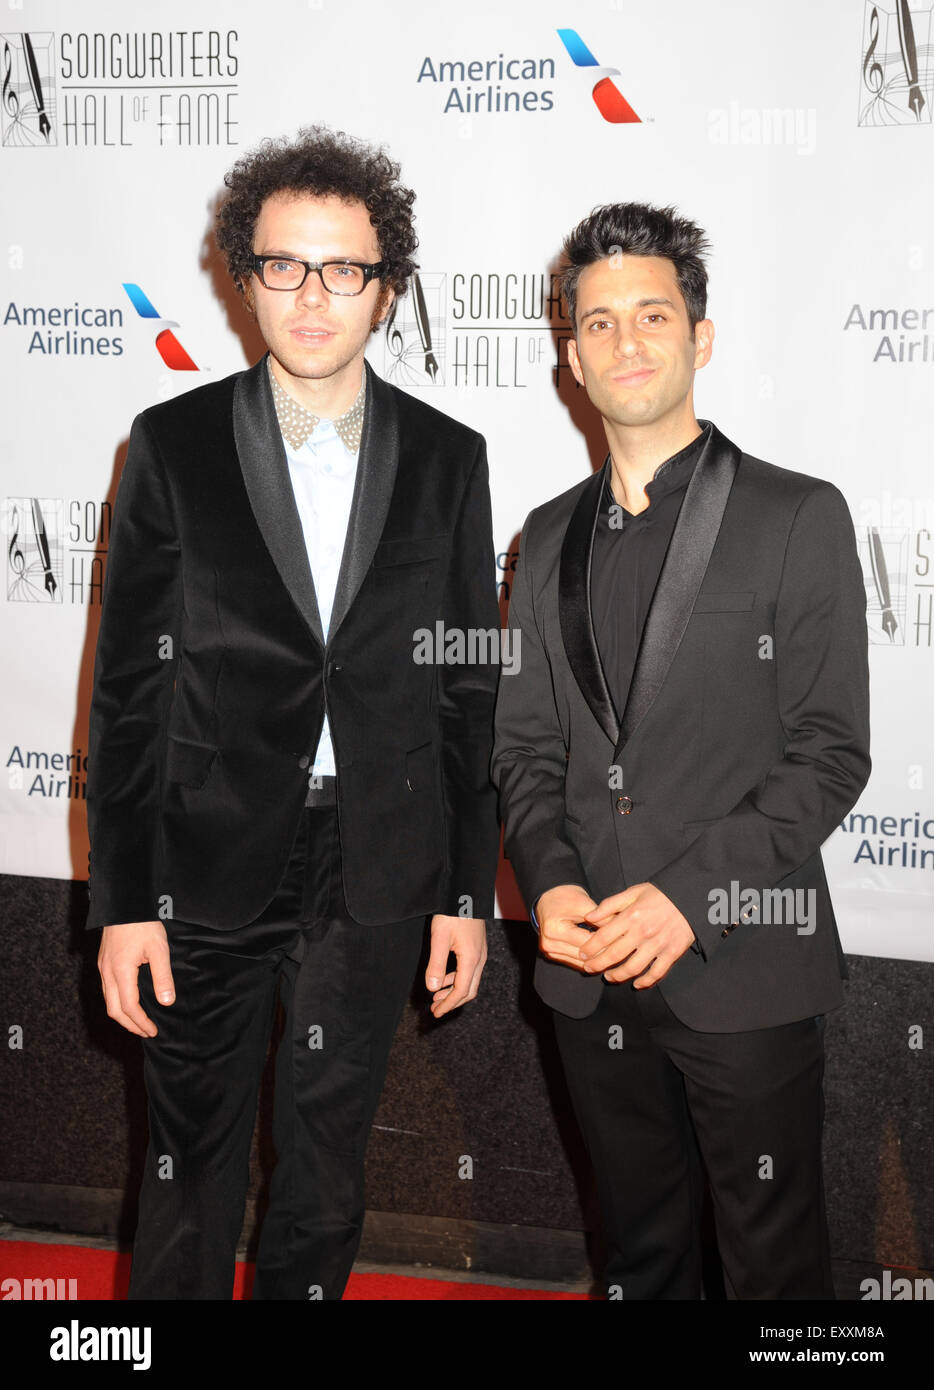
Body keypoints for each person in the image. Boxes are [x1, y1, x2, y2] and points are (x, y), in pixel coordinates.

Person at [87, 126, 500, 1300]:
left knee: (324, 1168)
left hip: (375, 865)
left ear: (386, 290)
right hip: (206, 860)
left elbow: (470, 689)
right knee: (185, 1164)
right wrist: (121, 903)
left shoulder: (448, 460)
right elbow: (127, 699)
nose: (313, 297)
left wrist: (467, 892)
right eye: (284, 265)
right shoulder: (171, 445)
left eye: (345, 271)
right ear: (241, 272)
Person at [491, 202, 870, 1299]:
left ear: (700, 337)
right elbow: (523, 747)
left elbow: (829, 753)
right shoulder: (545, 533)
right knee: (640, 1253)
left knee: (774, 1267)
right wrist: (552, 887)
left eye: (651, 314)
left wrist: (687, 898)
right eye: (598, 322)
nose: (626, 342)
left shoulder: (797, 515)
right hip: (587, 973)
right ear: (571, 357)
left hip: (739, 964)